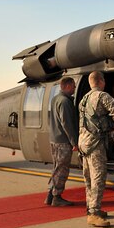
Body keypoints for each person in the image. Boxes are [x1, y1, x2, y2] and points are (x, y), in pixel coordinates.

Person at [79, 71, 114, 227]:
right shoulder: (103, 96)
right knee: (98, 177)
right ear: (101, 81)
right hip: (96, 142)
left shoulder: (84, 99)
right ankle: (94, 213)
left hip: (83, 143)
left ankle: (90, 207)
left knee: (88, 178)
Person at [45, 76, 78, 207]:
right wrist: (74, 142)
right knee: (62, 169)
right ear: (68, 86)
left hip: (55, 140)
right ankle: (56, 197)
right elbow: (67, 124)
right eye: (74, 86)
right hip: (63, 141)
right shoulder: (65, 102)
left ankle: (50, 195)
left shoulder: (55, 99)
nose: (75, 88)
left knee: (56, 168)